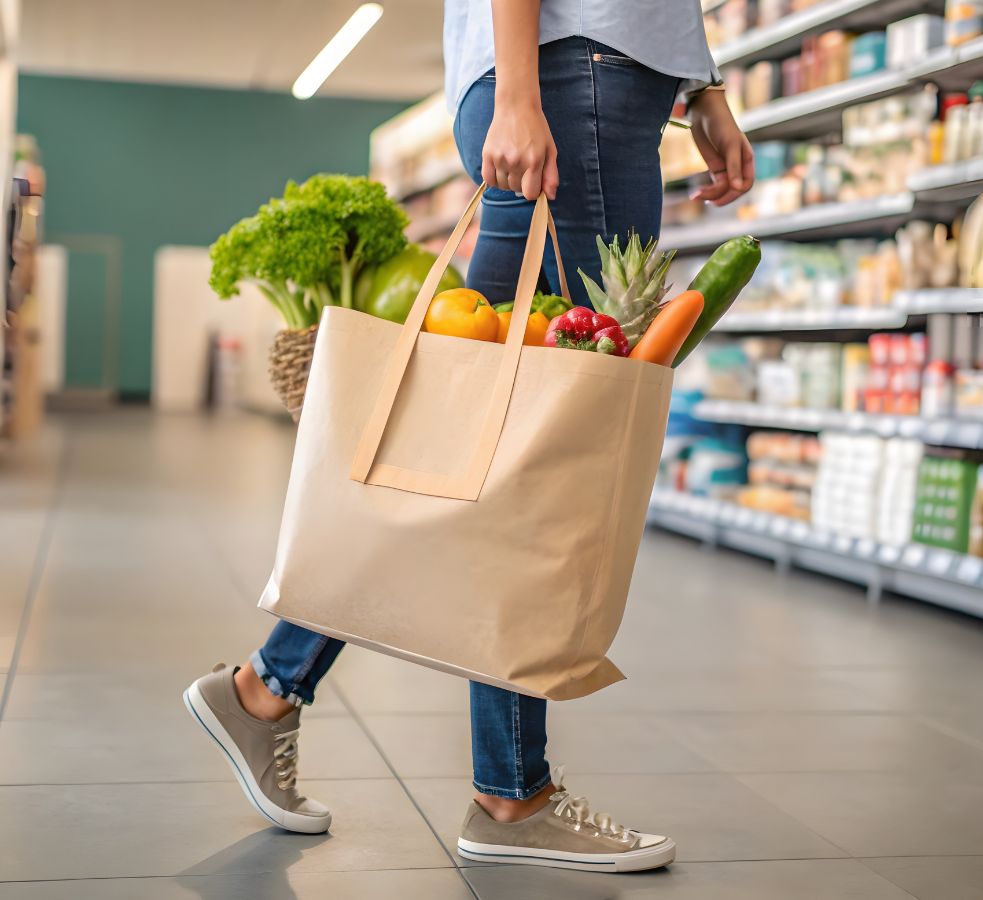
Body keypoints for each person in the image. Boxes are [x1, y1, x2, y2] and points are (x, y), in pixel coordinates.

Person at [184, 0, 753, 873]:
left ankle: (269, 689)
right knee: (542, 440)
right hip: (573, 77)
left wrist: (698, 82)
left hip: (597, 76)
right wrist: (522, 94)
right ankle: (509, 793)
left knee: (483, 429)